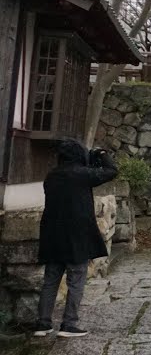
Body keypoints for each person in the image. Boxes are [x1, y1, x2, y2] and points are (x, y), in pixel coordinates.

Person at [35, 140, 118, 338]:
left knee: (50, 280)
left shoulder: (51, 176)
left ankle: (42, 323)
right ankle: (69, 324)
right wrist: (102, 154)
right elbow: (111, 171)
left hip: (52, 236)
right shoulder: (82, 175)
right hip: (76, 236)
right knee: (76, 278)